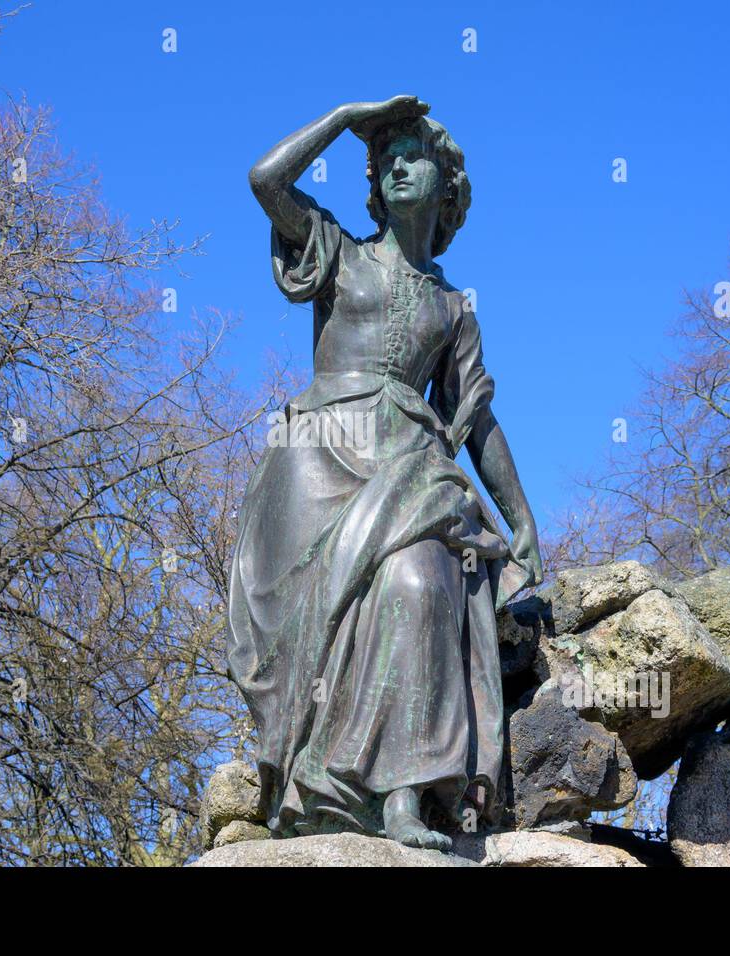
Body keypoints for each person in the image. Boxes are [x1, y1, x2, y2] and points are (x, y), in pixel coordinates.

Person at [228, 96, 542, 850]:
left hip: (409, 466)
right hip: (319, 464)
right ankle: (310, 778)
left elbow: (478, 420)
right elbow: (265, 181)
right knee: (334, 615)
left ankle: (403, 798)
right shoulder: (337, 251)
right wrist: (342, 118)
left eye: (413, 154)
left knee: (422, 583)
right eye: (385, 158)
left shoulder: (453, 307)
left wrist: (524, 520)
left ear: (448, 184)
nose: (396, 166)